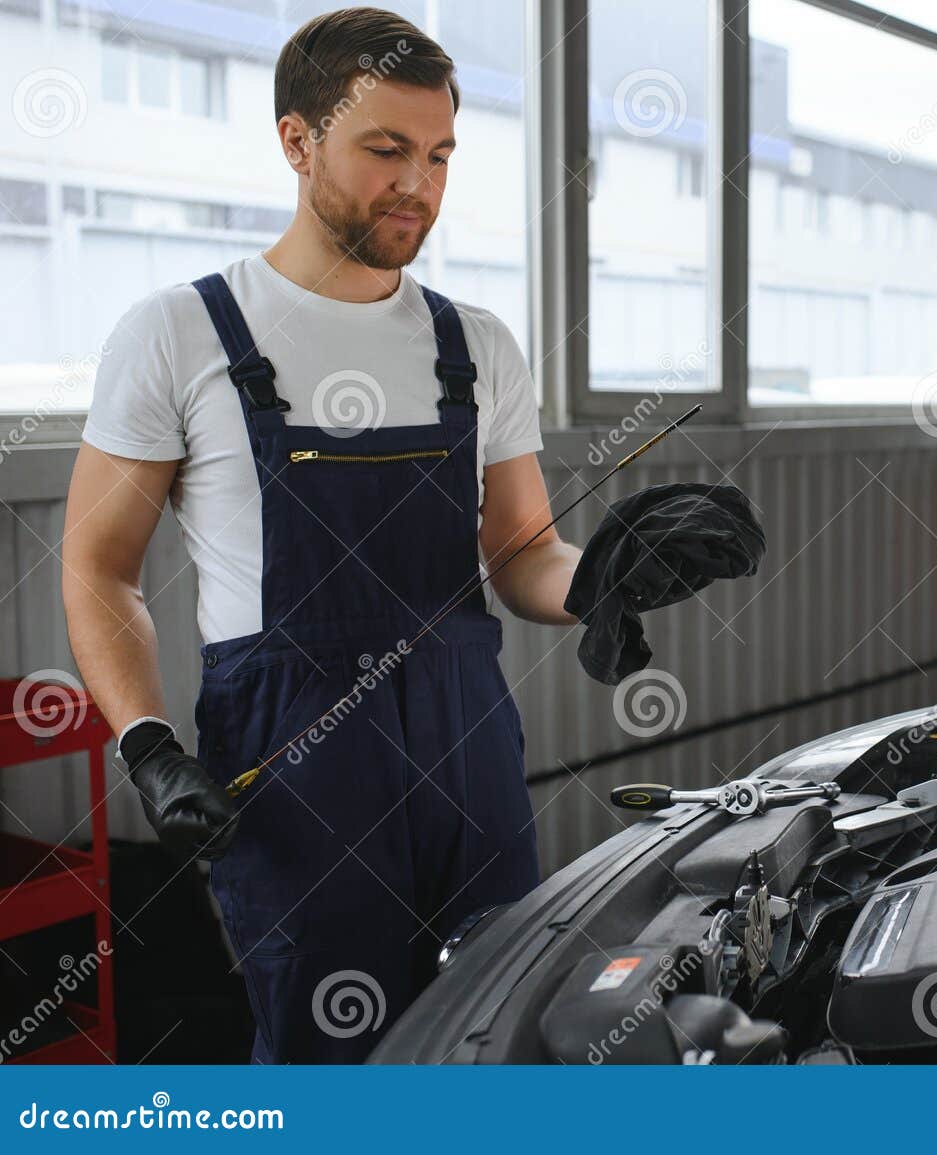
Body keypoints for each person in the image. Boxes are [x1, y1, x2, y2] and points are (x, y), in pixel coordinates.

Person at [62, 7, 582, 1063]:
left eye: (438, 155)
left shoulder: (473, 345)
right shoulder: (182, 333)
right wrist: (149, 742)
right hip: (296, 766)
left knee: (504, 1032)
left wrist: (610, 580)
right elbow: (97, 568)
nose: (418, 185)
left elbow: (524, 554)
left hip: (465, 746)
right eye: (385, 150)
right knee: (328, 1057)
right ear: (297, 143)